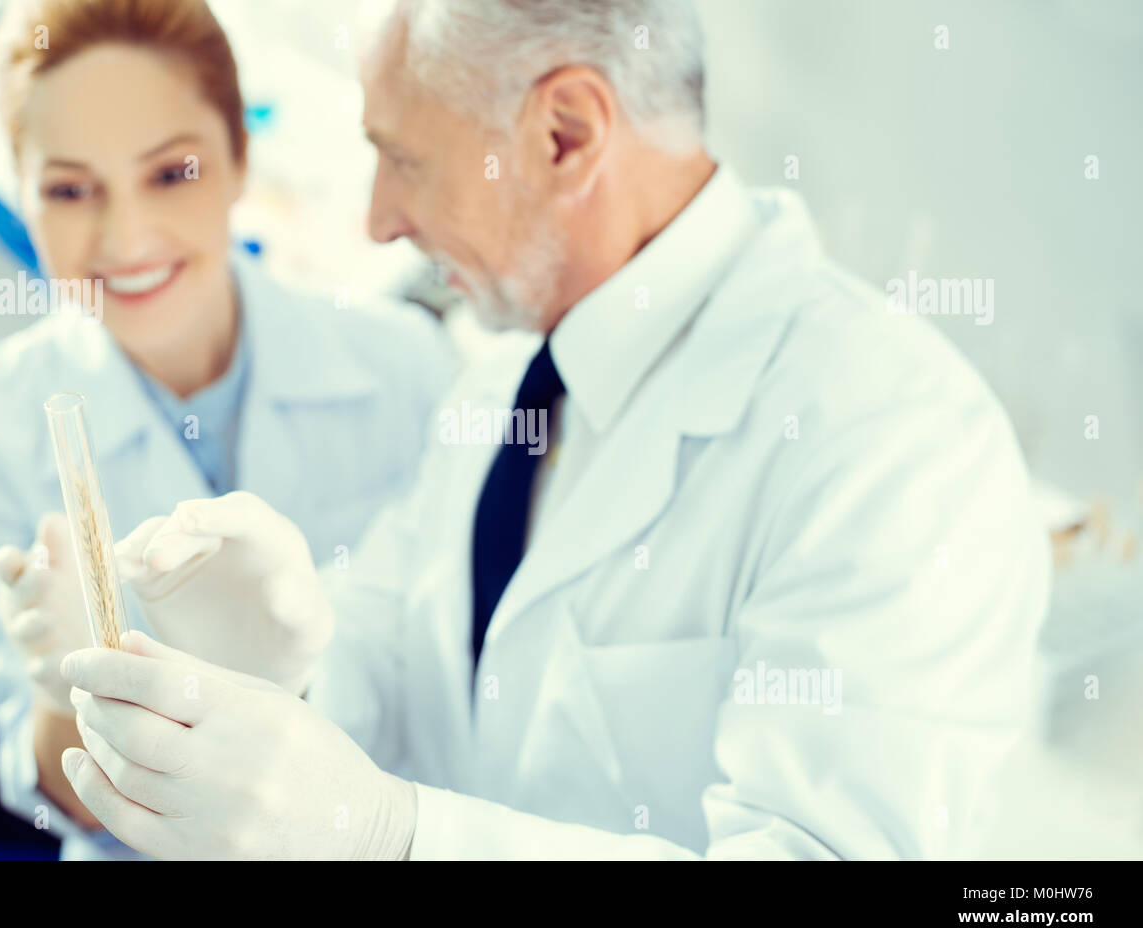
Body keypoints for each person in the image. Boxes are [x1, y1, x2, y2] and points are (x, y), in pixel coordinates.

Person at [56, 0, 1051, 859]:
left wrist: (394, 840)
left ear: (563, 135)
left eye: (403, 161)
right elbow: (414, 669)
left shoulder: (894, 441)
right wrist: (287, 660)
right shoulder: (503, 383)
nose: (378, 221)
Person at [0, 0, 451, 861]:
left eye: (172, 174)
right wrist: (61, 689)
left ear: (241, 157)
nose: (126, 238)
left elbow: (456, 687)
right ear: (21, 187)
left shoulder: (404, 365)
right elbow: (68, 799)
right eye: (68, 189)